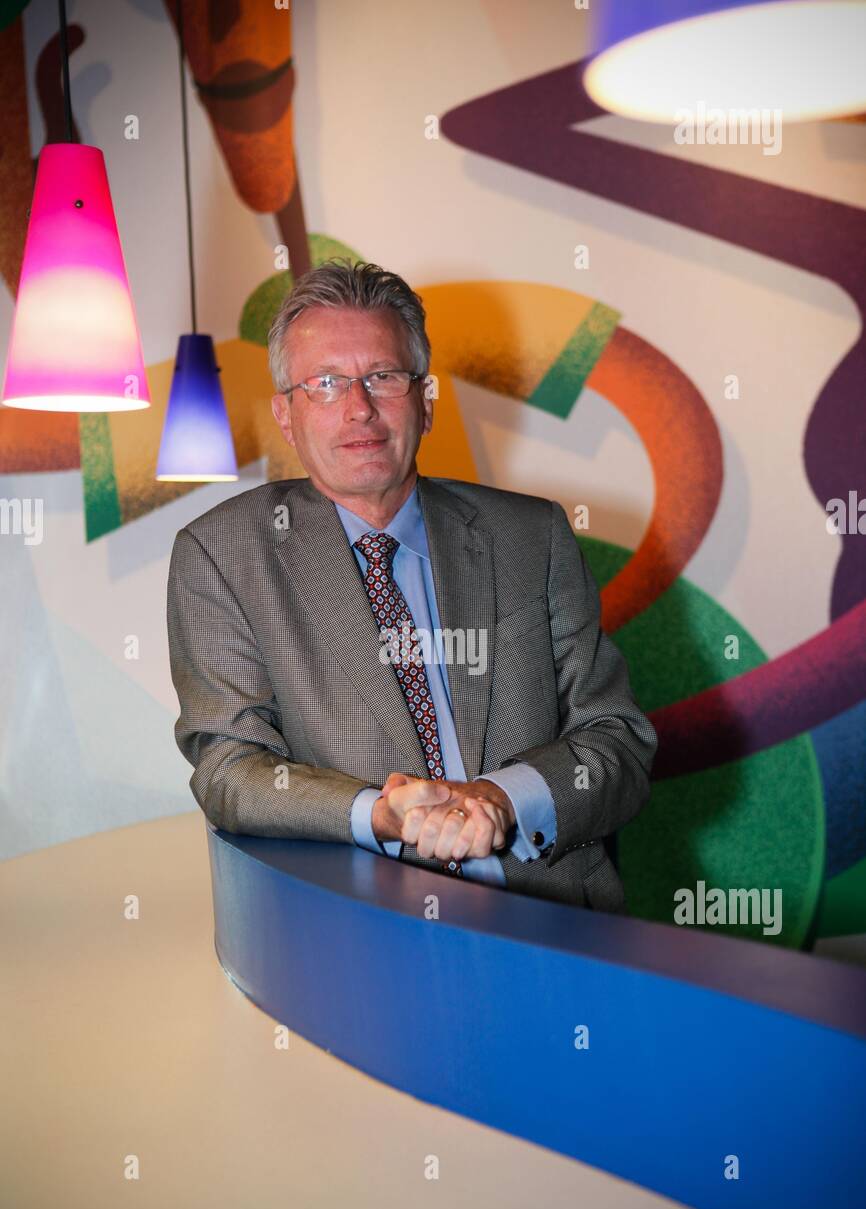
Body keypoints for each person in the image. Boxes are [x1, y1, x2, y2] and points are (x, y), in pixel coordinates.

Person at [166, 258, 657, 911]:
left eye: (384, 377)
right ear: (287, 417)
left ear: (425, 403)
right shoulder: (222, 557)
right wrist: (379, 814)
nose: (360, 409)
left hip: (553, 914)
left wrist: (505, 797)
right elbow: (230, 769)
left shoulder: (532, 536)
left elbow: (617, 742)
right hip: (366, 929)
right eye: (327, 383)